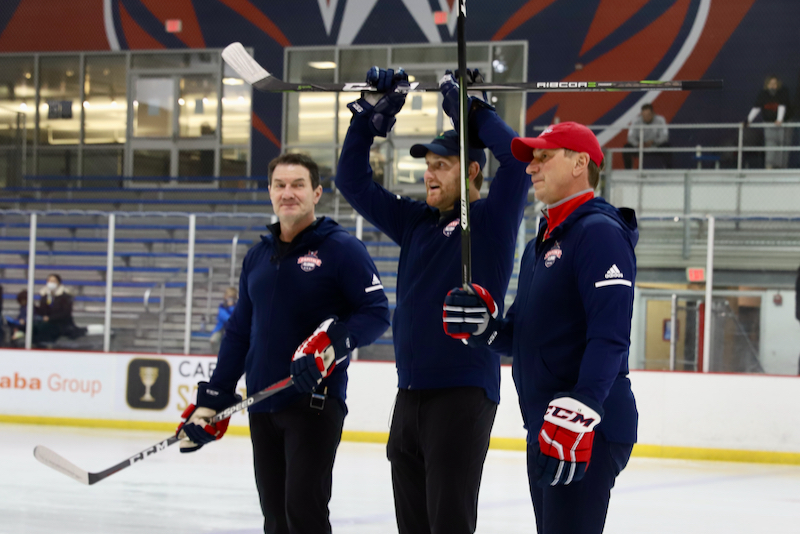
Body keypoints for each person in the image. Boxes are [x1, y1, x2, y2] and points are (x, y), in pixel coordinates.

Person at [336, 67, 530, 534]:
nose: (429, 174)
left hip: (463, 392)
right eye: (428, 166)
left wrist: (471, 110)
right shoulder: (416, 221)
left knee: (449, 523)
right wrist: (368, 122)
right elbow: (352, 182)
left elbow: (519, 161)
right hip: (410, 393)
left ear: (473, 170)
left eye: (441, 165)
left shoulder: (489, 220)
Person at [175, 152, 390, 534]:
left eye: (298, 185)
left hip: (314, 403)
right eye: (280, 185)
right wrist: (214, 397)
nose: (288, 193)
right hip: (261, 403)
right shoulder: (258, 255)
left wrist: (335, 346)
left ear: (317, 193)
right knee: (274, 517)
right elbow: (240, 329)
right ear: (270, 192)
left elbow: (376, 312)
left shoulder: (341, 248)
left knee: (303, 514)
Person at [443, 122, 638, 534]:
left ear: (580, 163)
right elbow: (519, 333)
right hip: (547, 423)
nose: (532, 168)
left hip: (585, 425)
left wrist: (583, 407)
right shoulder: (544, 241)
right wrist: (486, 329)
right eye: (531, 159)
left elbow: (610, 335)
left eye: (544, 157)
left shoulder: (599, 233)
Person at [747, 75, 793, 169]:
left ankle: (781, 167)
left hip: (784, 123)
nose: (772, 86)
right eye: (770, 84)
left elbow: (782, 106)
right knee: (770, 143)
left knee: (782, 144)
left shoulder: (782, 92)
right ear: (767, 85)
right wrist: (748, 121)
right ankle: (769, 167)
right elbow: (757, 107)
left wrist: (779, 119)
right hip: (769, 122)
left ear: (778, 85)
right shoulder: (763, 94)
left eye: (775, 84)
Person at [35, 274, 86, 343]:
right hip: (48, 322)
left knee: (45, 328)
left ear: (58, 282)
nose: (51, 283)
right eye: (49, 281)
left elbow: (66, 313)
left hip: (62, 324)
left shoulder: (65, 296)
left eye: (54, 281)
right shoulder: (45, 295)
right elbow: (42, 311)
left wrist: (50, 318)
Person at [623, 103, 672, 169]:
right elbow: (630, 137)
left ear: (653, 113)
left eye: (648, 115)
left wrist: (654, 142)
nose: (646, 117)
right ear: (641, 114)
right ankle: (628, 171)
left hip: (655, 146)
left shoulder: (660, 120)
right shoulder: (636, 121)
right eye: (644, 115)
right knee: (627, 147)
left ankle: (669, 171)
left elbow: (665, 136)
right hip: (640, 147)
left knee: (667, 147)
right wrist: (638, 144)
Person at [209, 286, 237, 354]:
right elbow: (225, 317)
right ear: (225, 297)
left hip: (233, 329)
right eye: (229, 297)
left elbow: (236, 317)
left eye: (232, 297)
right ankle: (216, 354)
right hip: (221, 328)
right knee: (213, 340)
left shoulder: (237, 307)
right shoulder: (222, 306)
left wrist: (231, 307)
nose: (230, 299)